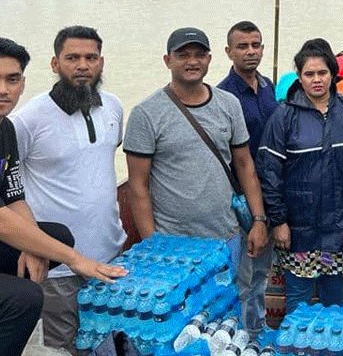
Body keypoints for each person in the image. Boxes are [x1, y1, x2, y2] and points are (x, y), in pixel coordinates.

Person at [0, 37, 126, 356]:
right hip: (67, 272)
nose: (3, 89)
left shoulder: (4, 129)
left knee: (58, 235)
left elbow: (14, 197)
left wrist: (32, 245)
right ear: (55, 64)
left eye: (11, 79)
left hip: (106, 247)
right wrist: (74, 259)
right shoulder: (27, 119)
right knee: (28, 301)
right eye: (72, 57)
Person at [124, 27, 267, 259]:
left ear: (209, 59)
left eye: (199, 55)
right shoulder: (146, 113)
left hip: (227, 236)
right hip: (173, 242)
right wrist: (153, 244)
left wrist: (259, 220)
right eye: (183, 55)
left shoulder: (229, 104)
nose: (192, 61)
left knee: (231, 294)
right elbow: (138, 185)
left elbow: (244, 165)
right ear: (167, 60)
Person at [257, 39, 343, 313]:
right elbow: (270, 172)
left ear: (333, 74)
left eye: (322, 73)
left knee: (333, 294)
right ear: (300, 78)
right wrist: (279, 221)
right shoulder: (284, 116)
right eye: (309, 74)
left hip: (338, 222)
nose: (317, 80)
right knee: (299, 300)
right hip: (299, 225)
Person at [217, 21, 277, 337]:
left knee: (262, 270)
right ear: (229, 52)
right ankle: (242, 333)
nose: (251, 51)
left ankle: (257, 325)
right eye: (242, 46)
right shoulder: (222, 96)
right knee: (242, 273)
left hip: (269, 194)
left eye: (256, 45)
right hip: (239, 199)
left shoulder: (268, 87)